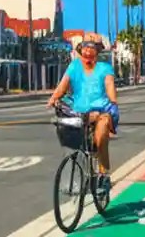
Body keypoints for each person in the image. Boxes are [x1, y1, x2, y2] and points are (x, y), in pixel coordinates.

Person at [47, 38, 119, 181]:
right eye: (85, 50)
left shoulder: (104, 68)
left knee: (100, 136)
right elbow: (63, 85)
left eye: (92, 51)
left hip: (101, 111)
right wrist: (53, 99)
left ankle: (103, 174)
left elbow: (109, 85)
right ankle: (87, 171)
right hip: (78, 112)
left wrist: (112, 101)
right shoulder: (74, 66)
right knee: (73, 138)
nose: (87, 55)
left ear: (97, 53)